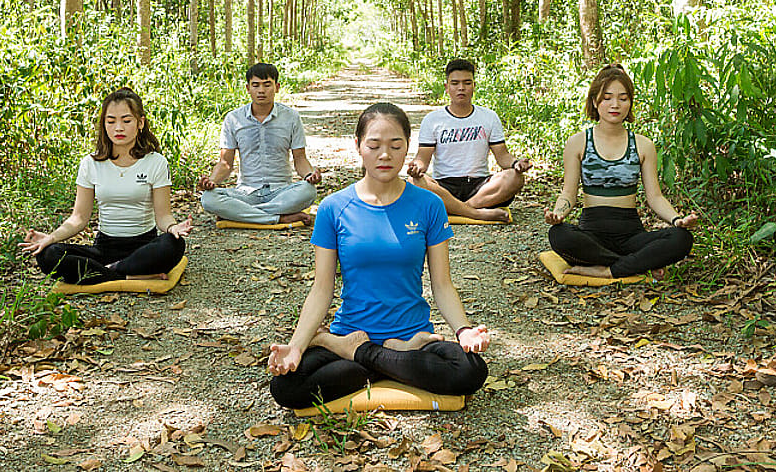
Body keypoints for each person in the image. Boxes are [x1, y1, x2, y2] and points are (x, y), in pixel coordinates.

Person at [267, 103, 490, 410]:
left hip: (413, 338)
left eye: (395, 146)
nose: (385, 155)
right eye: (374, 145)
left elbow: (442, 285)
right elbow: (321, 289)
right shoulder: (334, 208)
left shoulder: (429, 205)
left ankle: (361, 354)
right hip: (351, 330)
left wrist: (463, 330)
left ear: (407, 148)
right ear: (358, 146)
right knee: (285, 387)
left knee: (471, 371)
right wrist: (296, 346)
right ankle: (380, 355)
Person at [21, 88, 192, 284]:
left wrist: (173, 227)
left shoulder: (156, 162)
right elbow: (79, 218)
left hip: (144, 247)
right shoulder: (90, 163)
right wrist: (51, 237)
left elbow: (163, 216)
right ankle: (123, 273)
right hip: (104, 248)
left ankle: (104, 273)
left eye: (126, 121)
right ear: (104, 125)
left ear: (140, 123)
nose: (118, 128)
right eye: (111, 122)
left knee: (173, 244)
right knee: (48, 254)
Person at [545, 64, 699, 279]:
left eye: (623, 98)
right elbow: (568, 193)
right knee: (559, 235)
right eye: (607, 97)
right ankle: (637, 264)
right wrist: (559, 213)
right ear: (594, 101)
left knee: (682, 238)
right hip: (592, 235)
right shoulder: (578, 142)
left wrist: (676, 220)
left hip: (631, 235)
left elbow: (654, 197)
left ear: (630, 103)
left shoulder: (643, 145)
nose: (614, 104)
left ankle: (608, 269)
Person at [406, 58, 531, 222]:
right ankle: (477, 213)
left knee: (515, 178)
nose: (461, 88)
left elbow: (503, 157)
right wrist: (416, 168)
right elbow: (422, 158)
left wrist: (517, 164)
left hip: (480, 187)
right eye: (455, 83)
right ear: (447, 87)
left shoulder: (489, 117)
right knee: (412, 182)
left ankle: (459, 209)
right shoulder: (433, 119)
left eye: (467, 83)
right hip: (444, 187)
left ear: (474, 86)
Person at [199, 62, 322, 225]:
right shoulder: (233, 119)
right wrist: (212, 181)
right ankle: (279, 217)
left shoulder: (291, 117)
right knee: (208, 198)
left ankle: (241, 213)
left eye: (267, 85)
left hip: (281, 192)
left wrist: (309, 175)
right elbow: (225, 163)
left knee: (308, 191)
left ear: (277, 87)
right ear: (247, 88)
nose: (261, 91)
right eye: (255, 85)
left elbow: (300, 159)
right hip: (246, 193)